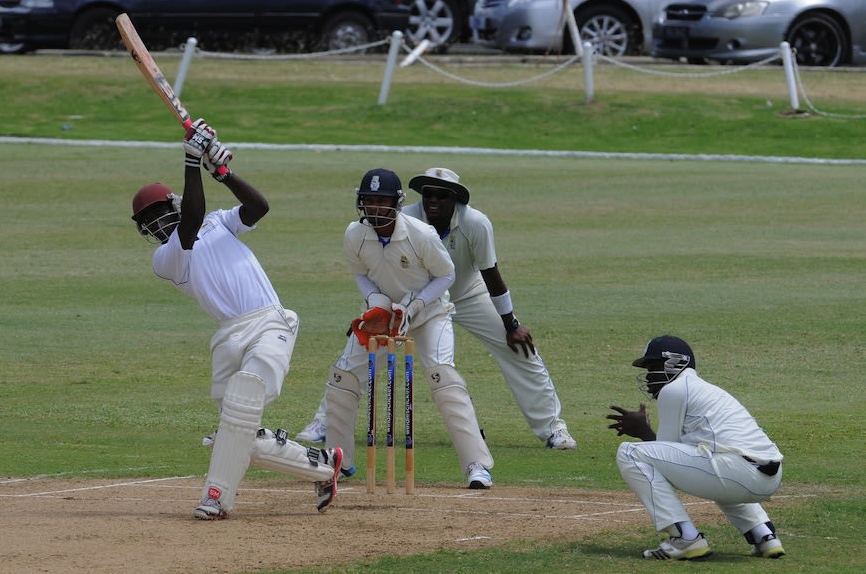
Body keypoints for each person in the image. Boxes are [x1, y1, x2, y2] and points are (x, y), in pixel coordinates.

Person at [130, 118, 342, 520]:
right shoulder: (167, 258)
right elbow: (190, 221)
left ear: (172, 205)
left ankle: (216, 497)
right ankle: (322, 465)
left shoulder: (217, 222)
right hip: (228, 335)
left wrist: (222, 172)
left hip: (269, 321)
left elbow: (257, 207)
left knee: (241, 410)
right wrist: (192, 162)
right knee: (235, 429)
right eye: (149, 220)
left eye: (161, 212)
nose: (158, 222)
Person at [296, 167, 576, 450]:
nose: (433, 200)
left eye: (442, 195)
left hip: (467, 293)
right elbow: (377, 270)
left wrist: (511, 324)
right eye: (428, 194)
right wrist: (372, 310)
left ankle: (553, 429)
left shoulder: (475, 223)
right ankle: (324, 423)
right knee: (357, 353)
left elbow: (491, 272)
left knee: (519, 349)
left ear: (456, 199)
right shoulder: (401, 217)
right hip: (407, 302)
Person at [320, 168, 494, 488]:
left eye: (381, 201)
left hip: (429, 316)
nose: (374, 208)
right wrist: (376, 301)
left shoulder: (420, 234)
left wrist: (414, 306)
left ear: (396, 202)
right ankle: (338, 458)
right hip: (382, 316)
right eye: (368, 201)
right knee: (342, 378)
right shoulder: (354, 234)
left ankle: (476, 465)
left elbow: (446, 275)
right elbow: (361, 274)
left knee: (443, 377)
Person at [606, 335, 785, 560]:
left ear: (675, 362)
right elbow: (675, 456)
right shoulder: (705, 390)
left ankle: (686, 539)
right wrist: (646, 433)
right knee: (712, 465)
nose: (649, 376)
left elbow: (664, 450)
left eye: (654, 366)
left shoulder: (675, 389)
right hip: (768, 476)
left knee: (629, 453)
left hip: (738, 472)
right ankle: (765, 536)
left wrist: (643, 432)